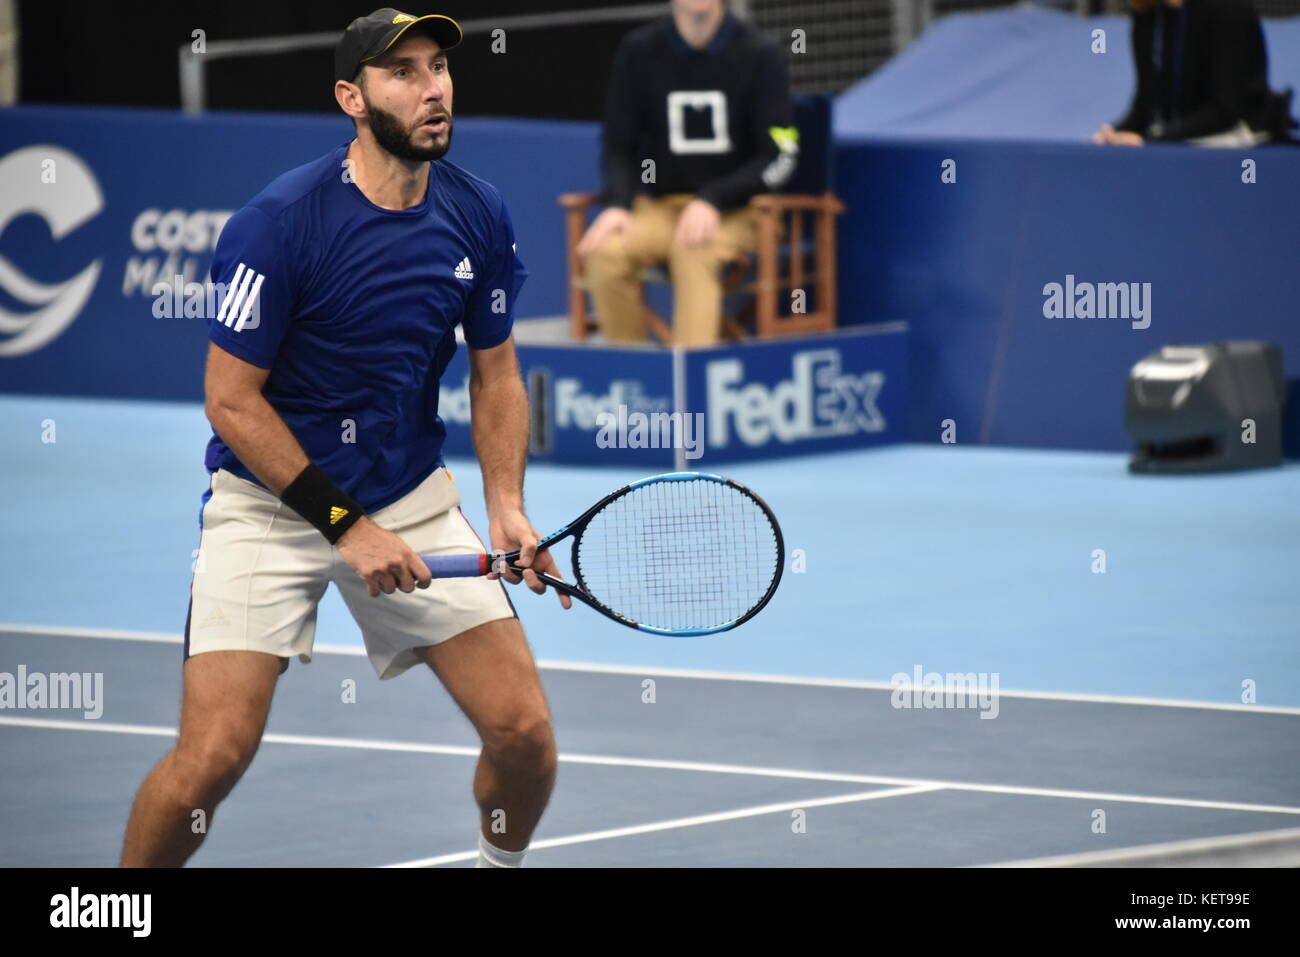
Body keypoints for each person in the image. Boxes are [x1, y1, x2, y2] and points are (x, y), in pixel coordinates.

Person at [120, 8, 570, 869]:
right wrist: (346, 526)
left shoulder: (478, 213)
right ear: (351, 99)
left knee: (525, 738)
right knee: (212, 757)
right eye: (402, 72)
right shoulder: (278, 224)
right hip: (270, 507)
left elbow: (497, 373)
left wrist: (505, 504)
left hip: (408, 494)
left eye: (438, 66)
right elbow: (232, 402)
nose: (432, 87)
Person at [577, 0, 799, 346]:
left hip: (742, 211)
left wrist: (713, 198)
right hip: (663, 207)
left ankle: (688, 389)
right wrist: (618, 203)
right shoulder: (639, 50)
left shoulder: (761, 52)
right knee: (605, 251)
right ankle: (638, 382)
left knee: (693, 247)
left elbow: (779, 156)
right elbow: (619, 144)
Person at [1094, 0, 1297, 147]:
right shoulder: (1148, 14)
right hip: (1177, 138)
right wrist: (1115, 134)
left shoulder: (1229, 10)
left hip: (1240, 134)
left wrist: (1151, 140)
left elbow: (1225, 110)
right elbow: (1146, 105)